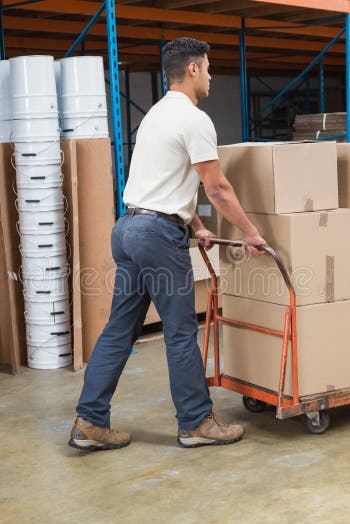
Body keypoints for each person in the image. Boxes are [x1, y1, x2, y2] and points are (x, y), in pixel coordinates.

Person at [69, 37, 268, 452]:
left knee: (119, 331)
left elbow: (164, 180)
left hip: (129, 228)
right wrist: (251, 232)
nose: (211, 76)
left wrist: (196, 225)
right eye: (208, 68)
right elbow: (216, 187)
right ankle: (196, 423)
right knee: (180, 332)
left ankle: (89, 422)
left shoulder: (156, 115)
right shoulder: (194, 119)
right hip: (157, 236)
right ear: (193, 69)